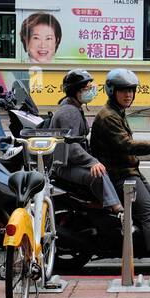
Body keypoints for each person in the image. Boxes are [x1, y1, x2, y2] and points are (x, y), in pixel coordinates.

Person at [91, 68, 150, 275]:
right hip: (119, 175)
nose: (128, 95)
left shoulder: (117, 113)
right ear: (111, 91)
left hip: (129, 171)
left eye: (131, 91)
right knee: (149, 210)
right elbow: (126, 145)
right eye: (123, 91)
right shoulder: (108, 117)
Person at [52, 69, 122, 215]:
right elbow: (71, 146)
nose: (91, 91)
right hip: (65, 165)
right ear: (76, 91)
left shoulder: (73, 107)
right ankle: (115, 208)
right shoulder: (69, 112)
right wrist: (92, 162)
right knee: (98, 174)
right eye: (87, 88)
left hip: (71, 162)